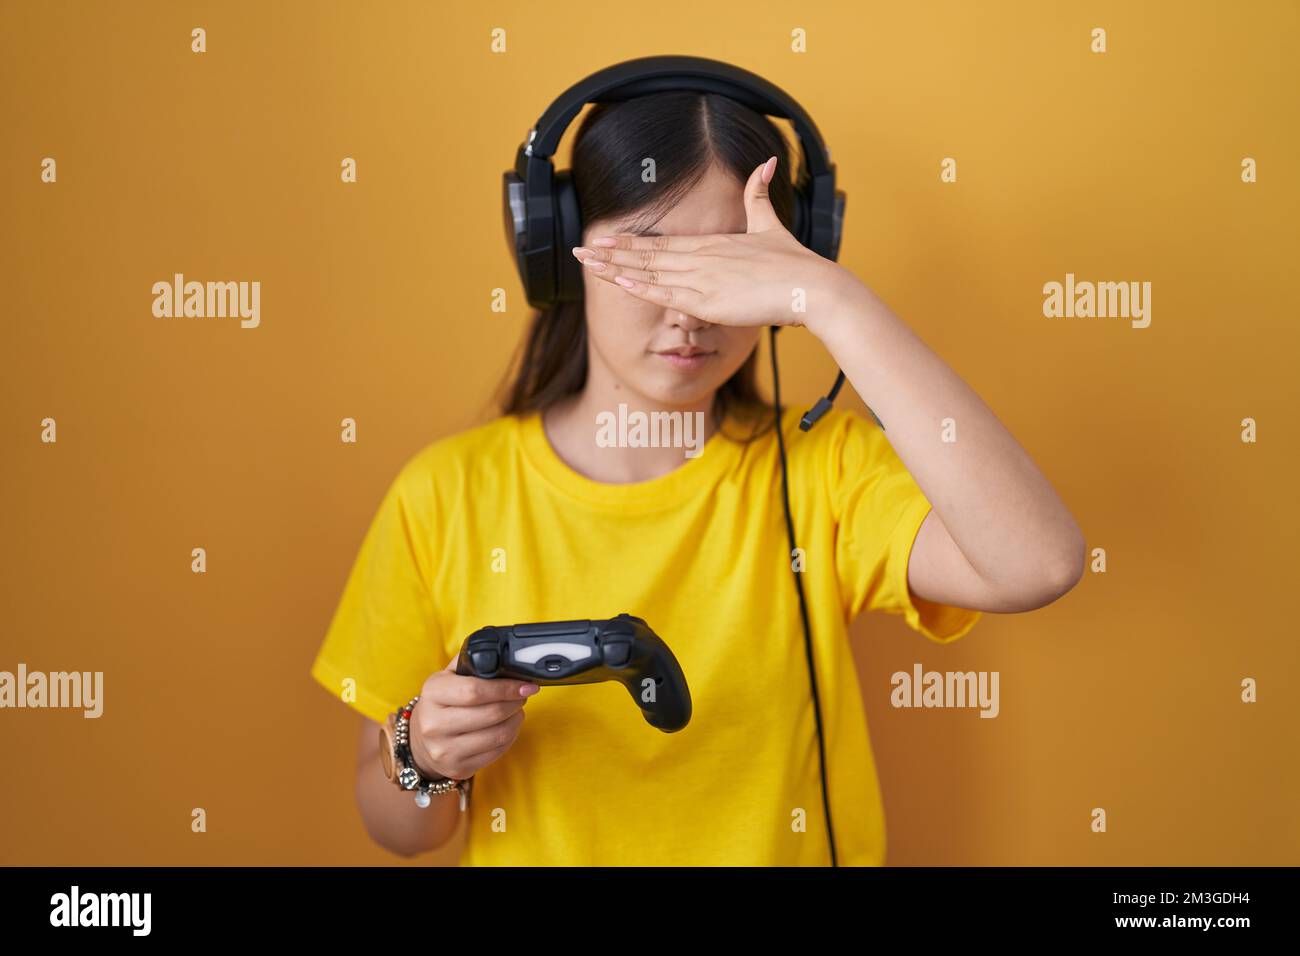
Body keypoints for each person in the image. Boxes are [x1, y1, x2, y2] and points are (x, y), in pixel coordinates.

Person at [309, 89, 1085, 866]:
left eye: (730, 264)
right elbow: (400, 831)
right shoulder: (445, 495)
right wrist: (425, 755)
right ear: (558, 251)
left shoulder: (824, 472)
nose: (691, 312)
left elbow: (1038, 562)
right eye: (651, 257)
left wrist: (833, 300)